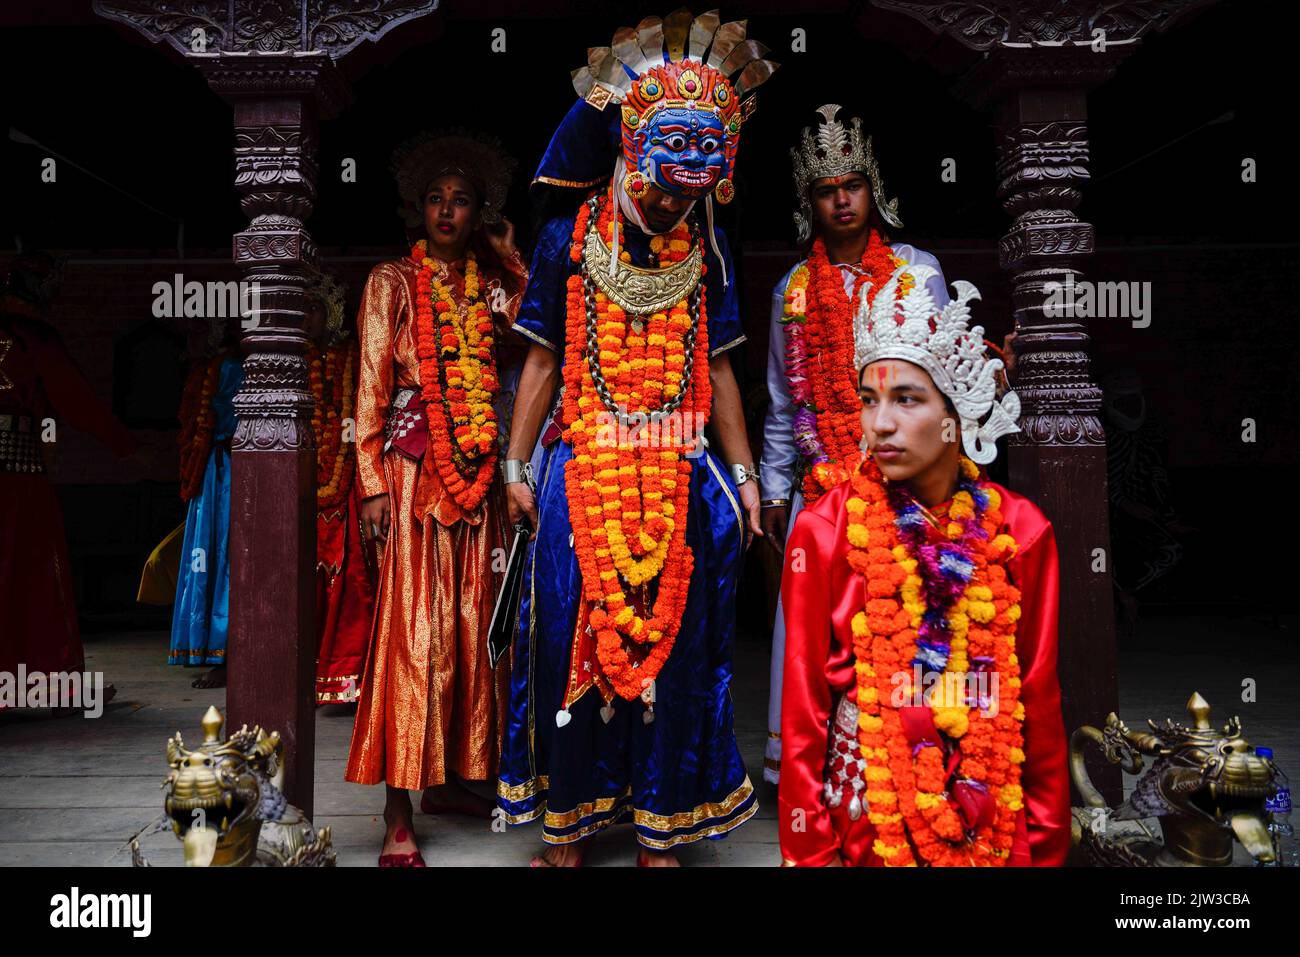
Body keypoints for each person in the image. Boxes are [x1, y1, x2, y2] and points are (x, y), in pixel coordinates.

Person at [495, 10, 777, 867]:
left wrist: (747, 474)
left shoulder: (710, 244)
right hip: (583, 456)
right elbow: (541, 362)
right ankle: (571, 824)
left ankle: (665, 827)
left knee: (680, 653)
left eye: (702, 174)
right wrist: (515, 462)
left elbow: (723, 369)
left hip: (680, 460)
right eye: (668, 173)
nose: (679, 193)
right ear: (628, 147)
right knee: (563, 641)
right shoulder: (564, 239)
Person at [777, 260, 1070, 865]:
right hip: (867, 811)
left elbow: (1038, 702)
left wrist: (1043, 848)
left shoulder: (1022, 533)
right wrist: (810, 854)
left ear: (954, 418)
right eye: (868, 400)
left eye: (906, 399)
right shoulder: (825, 531)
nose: (879, 424)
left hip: (991, 794)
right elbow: (803, 709)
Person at [344, 131, 527, 867]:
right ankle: (396, 811)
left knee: (475, 635)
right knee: (412, 639)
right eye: (435, 200)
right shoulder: (392, 280)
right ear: (416, 210)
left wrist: (510, 260)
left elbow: (535, 330)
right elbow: (369, 389)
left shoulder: (487, 282)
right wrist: (372, 485)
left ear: (481, 210)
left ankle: (450, 781)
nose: (447, 211)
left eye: (462, 200)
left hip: (479, 476)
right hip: (415, 477)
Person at [760, 105, 951, 784]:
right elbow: (786, 404)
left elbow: (948, 377)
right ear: (807, 202)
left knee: (908, 619)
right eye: (825, 188)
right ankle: (810, 766)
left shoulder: (914, 271)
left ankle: (910, 760)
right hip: (826, 487)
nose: (841, 199)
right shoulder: (792, 291)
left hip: (908, 482)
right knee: (815, 627)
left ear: (874, 189)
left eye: (852, 184)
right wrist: (775, 489)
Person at [0, 251, 134, 711]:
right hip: (16, 475)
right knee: (29, 574)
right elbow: (78, 403)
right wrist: (128, 446)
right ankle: (36, 678)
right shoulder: (32, 336)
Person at [305, 273, 378, 705]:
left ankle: (347, 676)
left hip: (348, 479)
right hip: (308, 485)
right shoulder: (291, 362)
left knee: (351, 579)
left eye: (313, 310)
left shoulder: (351, 358)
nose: (305, 320)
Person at [168, 317, 241, 688]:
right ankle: (211, 650)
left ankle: (224, 653)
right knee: (211, 555)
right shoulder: (211, 370)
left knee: (223, 555)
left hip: (227, 470)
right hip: (216, 472)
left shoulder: (230, 368)